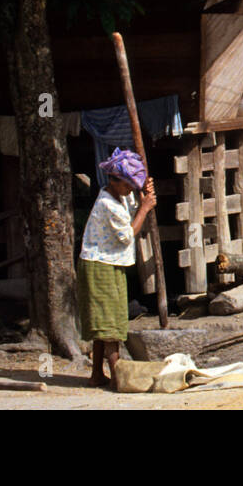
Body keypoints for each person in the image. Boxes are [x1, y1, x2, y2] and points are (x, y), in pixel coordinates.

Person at [77, 147, 157, 390]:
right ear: (114, 181)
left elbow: (132, 207)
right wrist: (145, 208)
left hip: (109, 263)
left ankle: (96, 375)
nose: (130, 190)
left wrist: (145, 194)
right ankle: (117, 376)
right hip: (100, 265)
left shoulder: (120, 196)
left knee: (105, 319)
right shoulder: (107, 204)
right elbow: (127, 235)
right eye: (128, 186)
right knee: (109, 321)